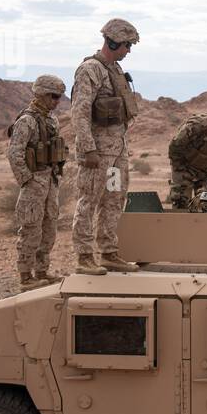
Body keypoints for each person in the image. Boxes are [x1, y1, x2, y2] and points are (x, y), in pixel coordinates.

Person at [70, 18, 140, 274]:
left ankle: (109, 252)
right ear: (112, 42)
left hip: (116, 152)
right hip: (97, 153)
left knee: (113, 199)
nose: (128, 51)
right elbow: (79, 112)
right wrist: (87, 148)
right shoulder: (90, 69)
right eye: (126, 45)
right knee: (89, 200)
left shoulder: (115, 70)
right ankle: (84, 256)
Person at [6, 74, 68, 290]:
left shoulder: (52, 120)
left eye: (59, 97)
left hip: (50, 180)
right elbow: (15, 153)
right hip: (35, 181)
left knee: (49, 226)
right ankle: (25, 275)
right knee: (31, 227)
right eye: (53, 96)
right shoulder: (27, 120)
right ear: (41, 94)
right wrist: (27, 179)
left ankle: (42, 270)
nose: (57, 101)